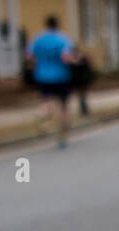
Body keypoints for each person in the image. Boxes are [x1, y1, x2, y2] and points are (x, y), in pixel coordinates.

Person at [24, 15, 77, 147]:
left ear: (46, 24)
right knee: (63, 107)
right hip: (61, 76)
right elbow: (66, 57)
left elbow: (29, 56)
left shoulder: (38, 39)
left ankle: (41, 116)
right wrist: (75, 61)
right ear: (57, 24)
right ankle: (62, 137)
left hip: (42, 76)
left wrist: (37, 63)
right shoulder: (62, 39)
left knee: (46, 101)